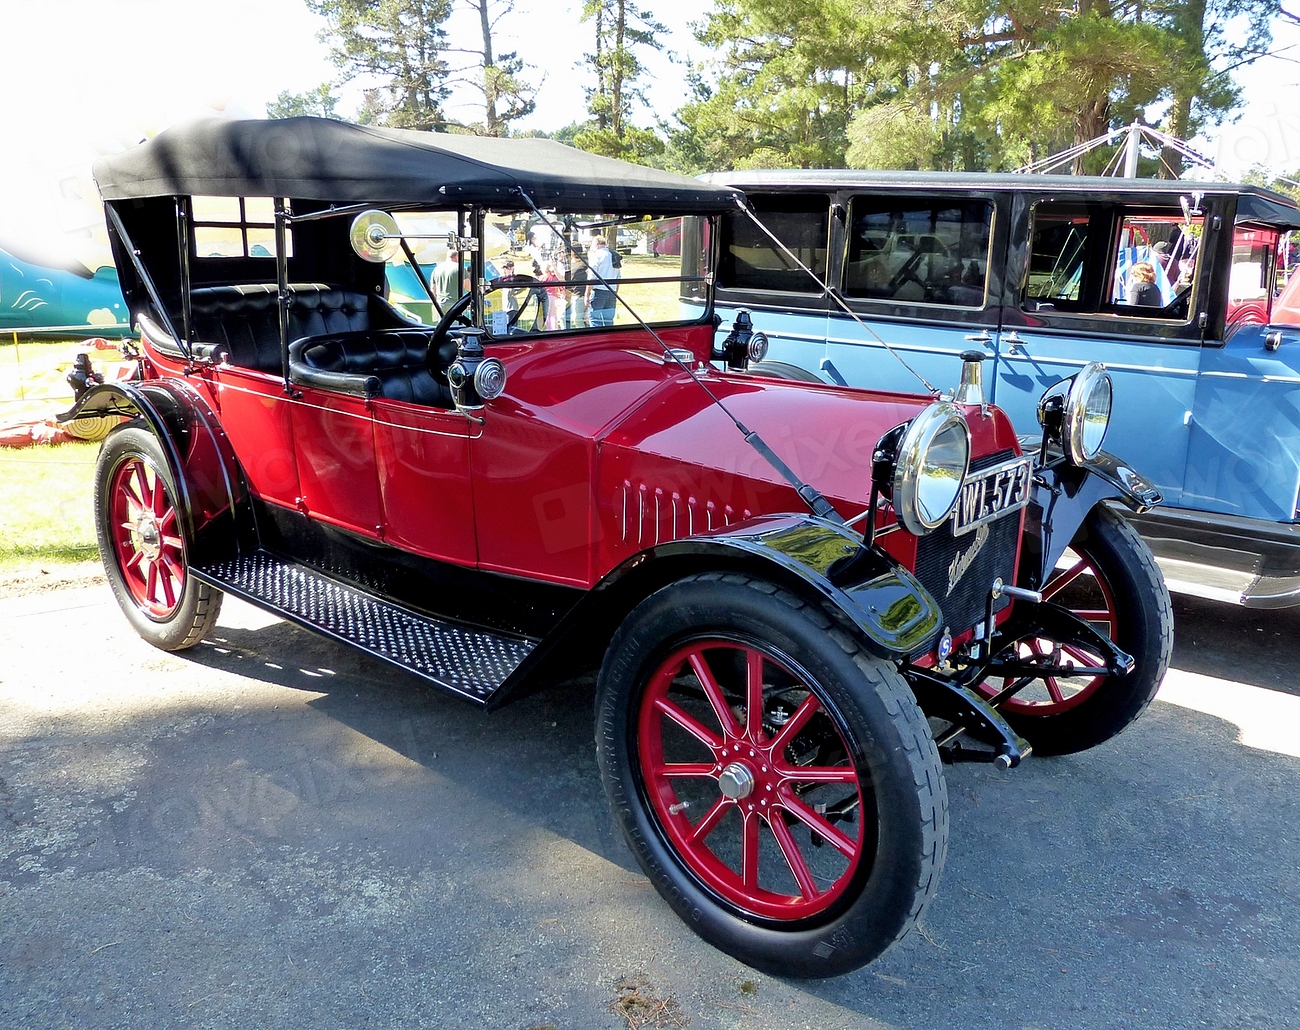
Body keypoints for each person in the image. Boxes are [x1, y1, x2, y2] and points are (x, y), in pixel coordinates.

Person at [587, 235, 618, 327]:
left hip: (598, 292)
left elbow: (591, 277)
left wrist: (587, 294)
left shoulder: (596, 256)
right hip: (612, 291)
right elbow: (618, 278)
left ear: (596, 244)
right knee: (609, 321)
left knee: (595, 320)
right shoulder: (614, 255)